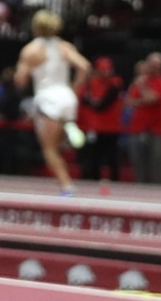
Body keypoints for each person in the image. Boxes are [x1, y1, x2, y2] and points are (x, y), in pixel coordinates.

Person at [14, 11, 91, 195]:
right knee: (56, 144)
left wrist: (26, 72)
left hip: (47, 98)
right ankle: (67, 127)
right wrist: (74, 87)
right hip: (66, 96)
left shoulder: (31, 50)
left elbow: (20, 80)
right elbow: (85, 66)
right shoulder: (64, 47)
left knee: (48, 149)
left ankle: (67, 185)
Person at [125, 54, 161, 185]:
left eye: (156, 65)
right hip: (138, 128)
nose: (153, 67)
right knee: (139, 163)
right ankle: (142, 190)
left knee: (156, 164)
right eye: (151, 64)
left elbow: (152, 99)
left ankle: (159, 192)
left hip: (157, 131)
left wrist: (142, 89)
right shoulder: (142, 81)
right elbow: (129, 101)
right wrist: (143, 99)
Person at [76, 56, 124, 182]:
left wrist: (94, 102)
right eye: (102, 69)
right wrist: (93, 101)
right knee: (92, 157)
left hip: (111, 128)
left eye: (108, 69)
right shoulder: (90, 83)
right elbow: (84, 99)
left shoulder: (115, 82)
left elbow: (103, 104)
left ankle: (115, 182)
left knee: (112, 158)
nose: (106, 72)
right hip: (93, 126)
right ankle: (91, 181)